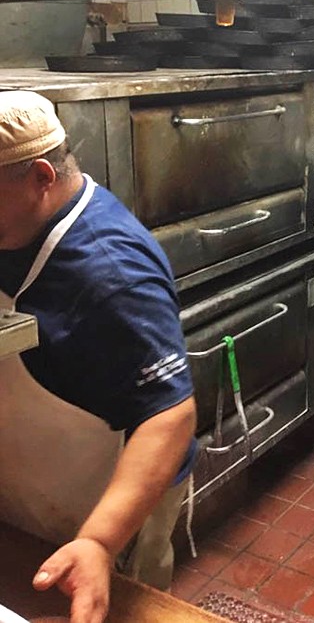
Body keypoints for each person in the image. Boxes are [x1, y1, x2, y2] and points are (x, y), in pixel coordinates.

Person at [0, 90, 197, 623]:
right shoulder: (15, 219)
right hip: (38, 473)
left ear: (42, 177)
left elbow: (170, 414)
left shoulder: (112, 274)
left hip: (111, 493)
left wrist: (101, 542)